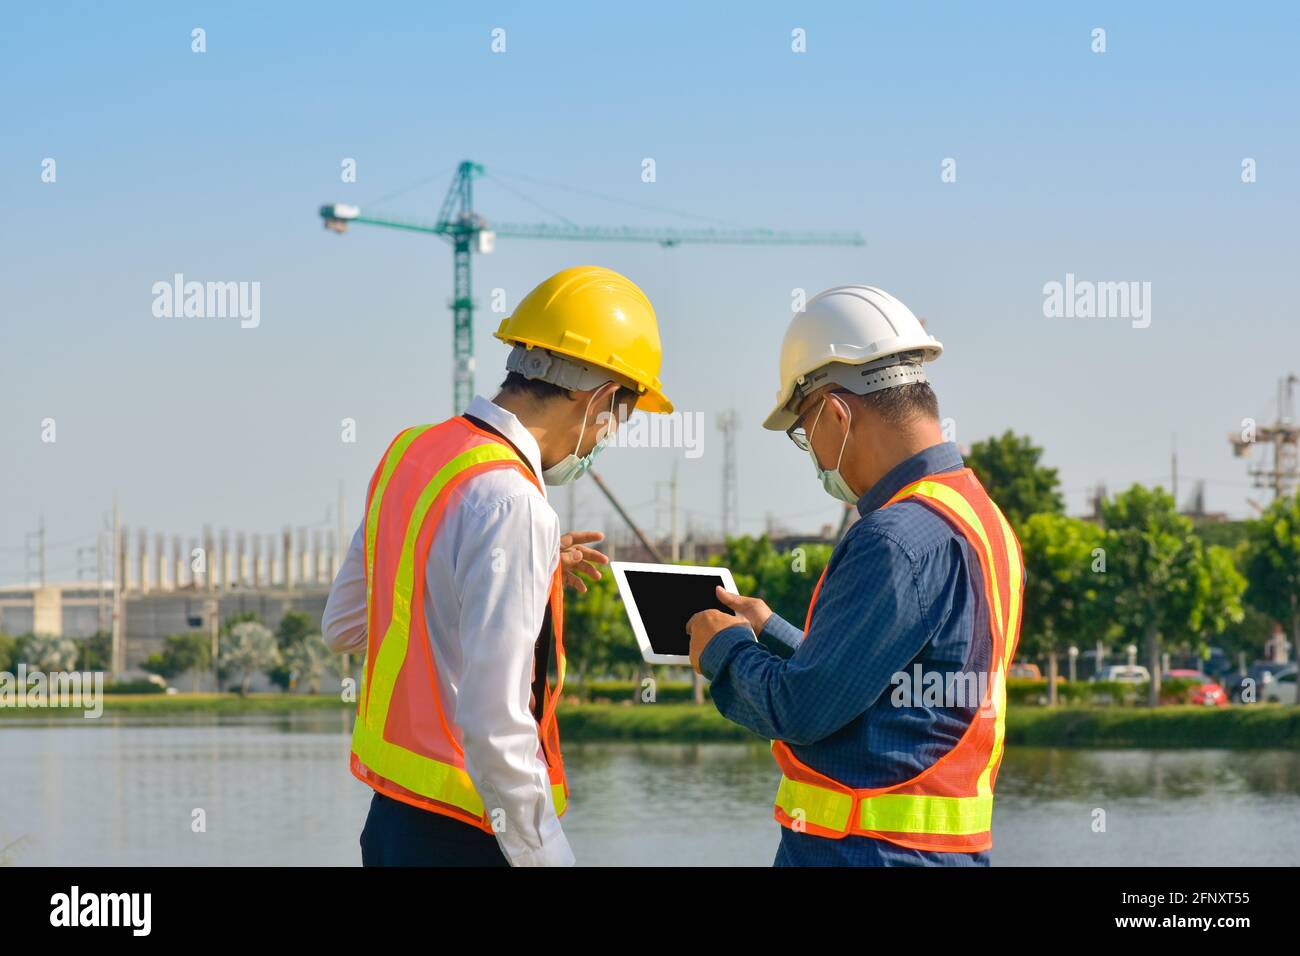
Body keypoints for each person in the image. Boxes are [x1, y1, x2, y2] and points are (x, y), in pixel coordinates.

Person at [323, 265, 673, 866]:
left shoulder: (411, 452)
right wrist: (549, 858)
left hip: (390, 827)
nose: (604, 440)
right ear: (601, 398)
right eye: (622, 417)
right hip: (470, 834)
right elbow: (496, 726)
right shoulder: (515, 503)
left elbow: (346, 626)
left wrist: (496, 572)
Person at [685, 285, 1024, 866]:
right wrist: (772, 630)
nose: (813, 456)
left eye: (804, 432)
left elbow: (801, 709)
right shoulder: (980, 518)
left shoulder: (893, 538)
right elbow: (888, 683)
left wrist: (725, 652)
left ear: (838, 414)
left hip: (863, 852)